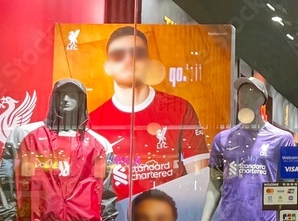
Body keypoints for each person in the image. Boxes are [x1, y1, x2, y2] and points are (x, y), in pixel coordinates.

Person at [88, 26, 209, 200]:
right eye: (118, 55)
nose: (128, 60)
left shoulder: (179, 108)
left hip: (173, 218)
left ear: (148, 62)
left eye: (137, 53)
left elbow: (199, 180)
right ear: (107, 67)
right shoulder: (93, 122)